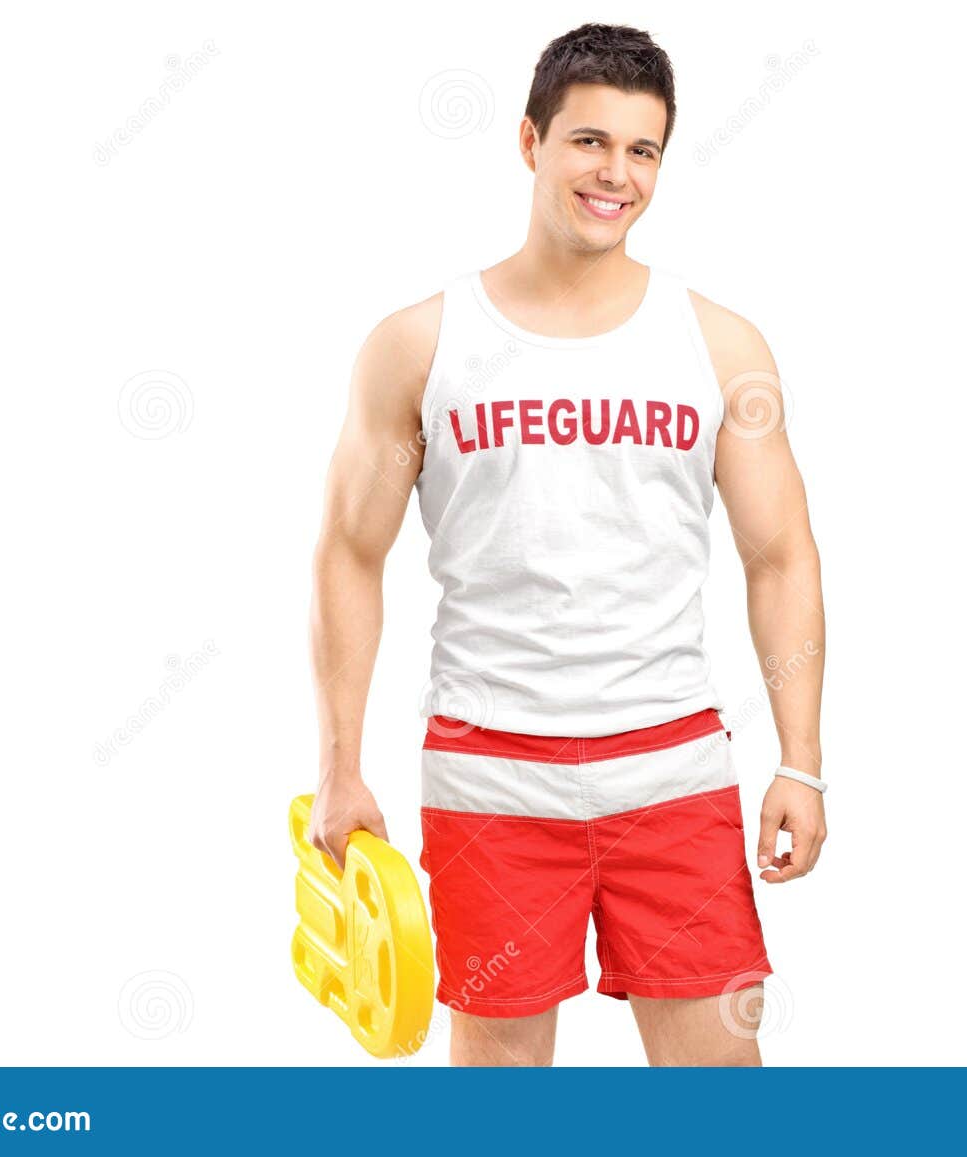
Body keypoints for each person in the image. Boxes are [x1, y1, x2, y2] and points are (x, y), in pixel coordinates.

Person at [307, 22, 826, 1066]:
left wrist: (801, 763)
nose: (614, 174)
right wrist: (338, 766)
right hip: (491, 779)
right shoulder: (419, 343)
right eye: (589, 141)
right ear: (530, 141)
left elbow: (781, 556)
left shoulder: (719, 345)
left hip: (672, 774)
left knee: (721, 1076)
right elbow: (347, 554)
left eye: (642, 151)